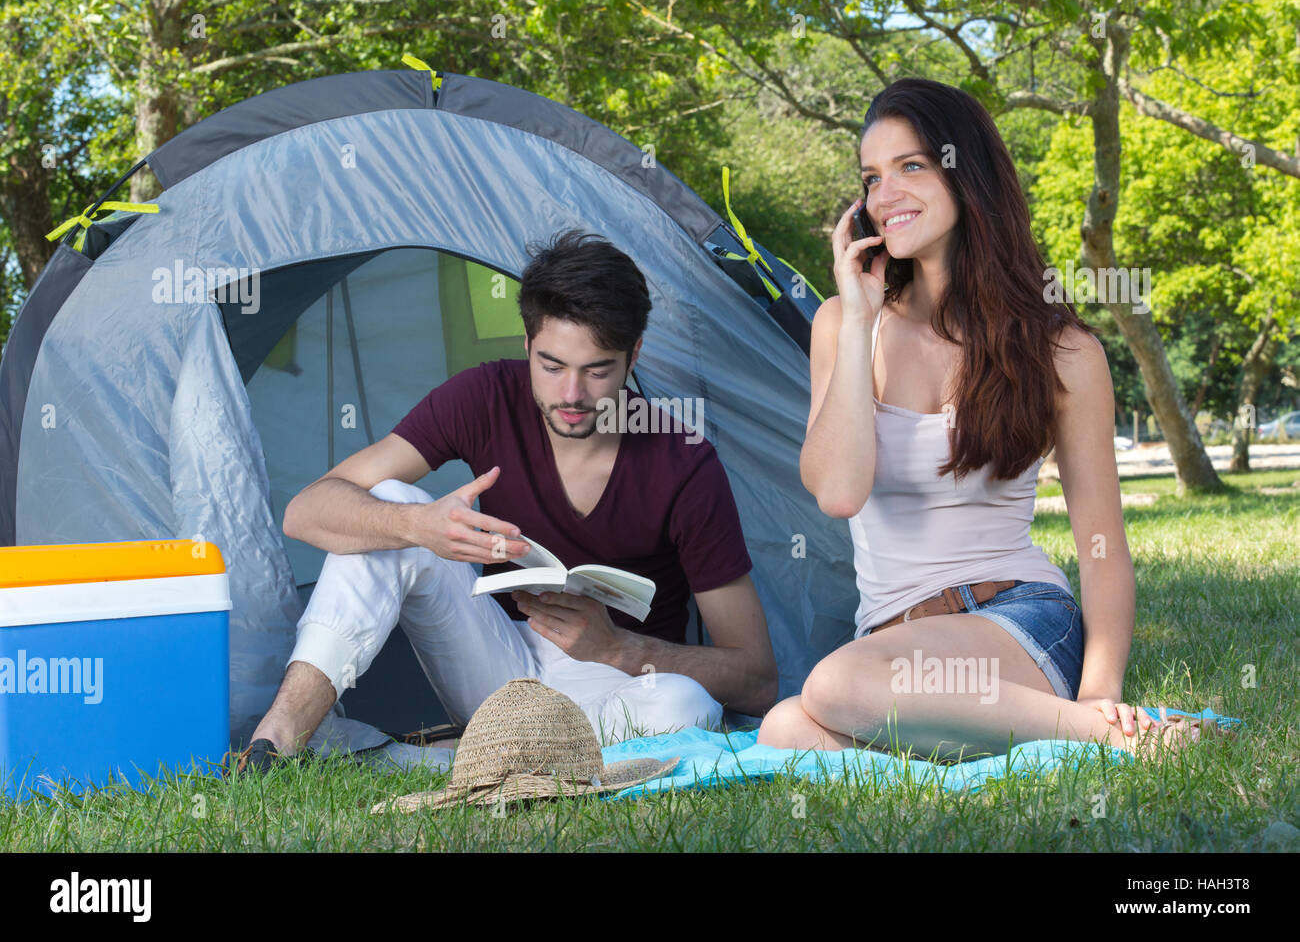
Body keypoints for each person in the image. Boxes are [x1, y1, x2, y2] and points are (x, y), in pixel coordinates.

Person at [757, 78, 1220, 760]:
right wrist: (858, 318)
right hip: (893, 641)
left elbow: (1103, 547)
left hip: (1017, 620)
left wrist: (1099, 691)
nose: (886, 196)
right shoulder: (842, 326)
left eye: (911, 166)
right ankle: (1025, 739)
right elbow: (837, 491)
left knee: (836, 683)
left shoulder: (1063, 351)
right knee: (786, 729)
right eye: (871, 178)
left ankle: (1100, 734)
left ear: (965, 173)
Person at [247, 230, 778, 766]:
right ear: (526, 346)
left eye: (597, 371)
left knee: (687, 704)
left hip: (617, 687)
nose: (572, 395)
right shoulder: (486, 396)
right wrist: (419, 527)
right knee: (388, 502)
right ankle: (275, 744)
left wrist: (620, 647)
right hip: (499, 669)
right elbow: (306, 511)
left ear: (633, 354)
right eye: (551, 367)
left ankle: (448, 761)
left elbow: (756, 679)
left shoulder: (683, 461)